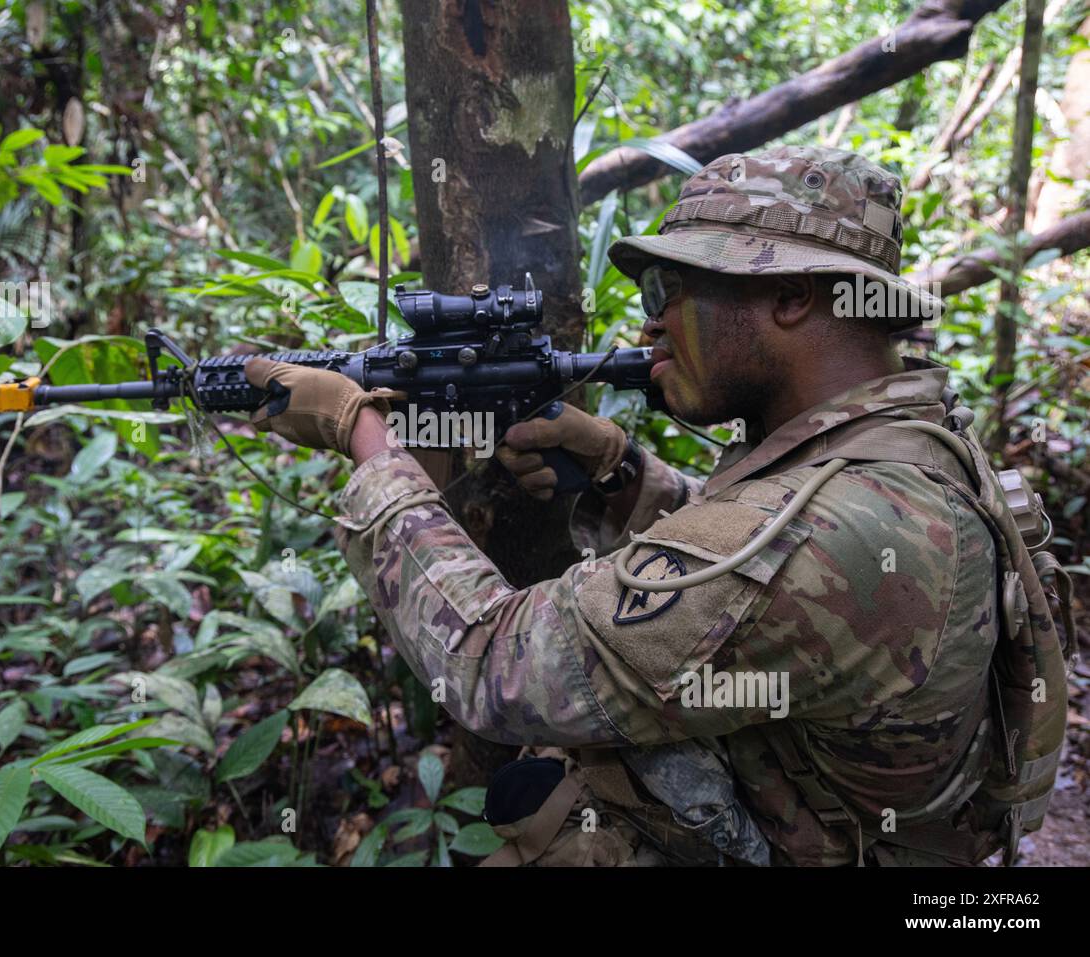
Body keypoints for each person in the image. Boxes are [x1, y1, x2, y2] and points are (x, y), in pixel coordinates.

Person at [241, 146, 1067, 866]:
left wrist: (366, 442)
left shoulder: (827, 534)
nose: (649, 325)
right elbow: (759, 573)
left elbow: (490, 662)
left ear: (790, 297)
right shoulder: (912, 444)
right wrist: (623, 472)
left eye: (670, 285)